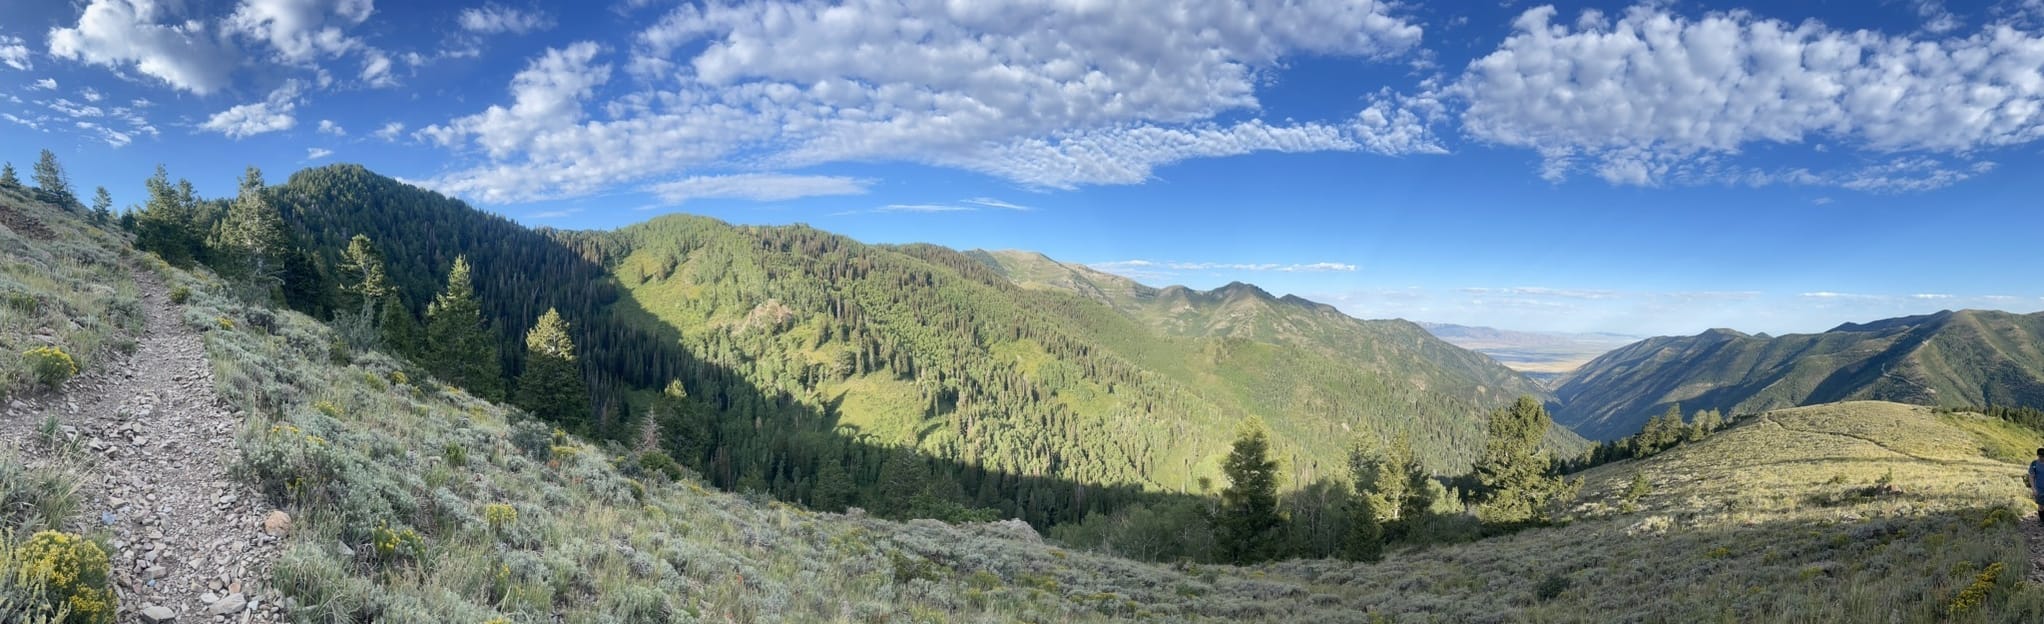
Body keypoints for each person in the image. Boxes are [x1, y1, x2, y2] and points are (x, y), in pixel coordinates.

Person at [2030, 448, 2044, 516]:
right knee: (2041, 506)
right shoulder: (2034, 464)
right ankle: (2041, 520)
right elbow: (2031, 476)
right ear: (2038, 455)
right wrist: (2033, 488)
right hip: (2039, 489)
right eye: (2040, 456)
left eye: (2043, 456)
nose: (2042, 458)